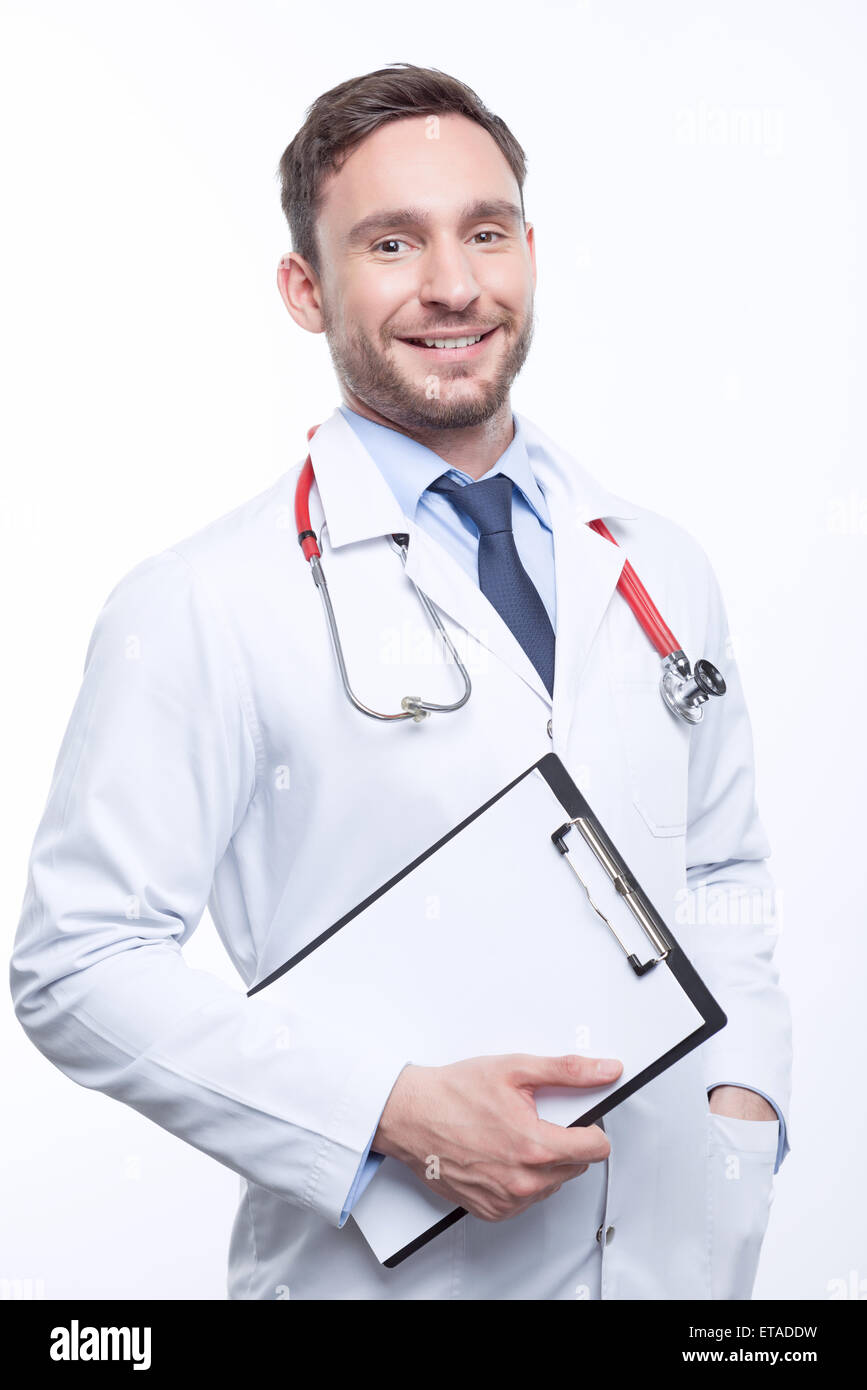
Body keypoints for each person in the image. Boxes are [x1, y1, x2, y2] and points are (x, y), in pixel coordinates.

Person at [10, 62, 792, 1301]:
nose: (453, 284)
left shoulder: (655, 565)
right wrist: (385, 1112)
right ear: (304, 288)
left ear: (530, 249)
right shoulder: (205, 603)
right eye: (391, 241)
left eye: (485, 232)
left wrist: (741, 1109)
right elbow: (77, 960)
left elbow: (721, 871)